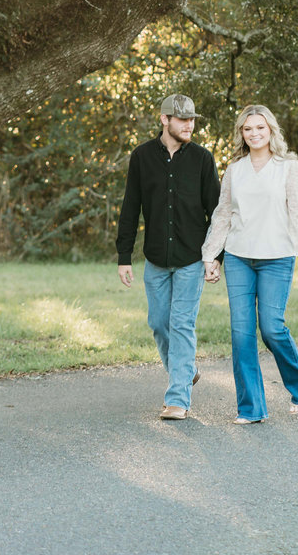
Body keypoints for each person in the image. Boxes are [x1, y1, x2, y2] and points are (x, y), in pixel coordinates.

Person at [202, 104, 298, 424]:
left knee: (271, 328)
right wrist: (210, 256)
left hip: (276, 258)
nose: (254, 134)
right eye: (247, 129)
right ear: (241, 133)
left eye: (260, 128)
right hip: (239, 258)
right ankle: (251, 408)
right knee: (241, 334)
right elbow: (223, 216)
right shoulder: (234, 170)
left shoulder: (289, 168)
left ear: (271, 130)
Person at [117, 93, 220, 420]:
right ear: (165, 120)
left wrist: (216, 256)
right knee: (159, 324)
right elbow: (130, 208)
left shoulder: (203, 159)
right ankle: (184, 370)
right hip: (156, 259)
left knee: (181, 324)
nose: (189, 124)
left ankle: (178, 398)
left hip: (192, 257)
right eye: (182, 119)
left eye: (192, 119)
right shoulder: (142, 157)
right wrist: (123, 255)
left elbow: (217, 212)